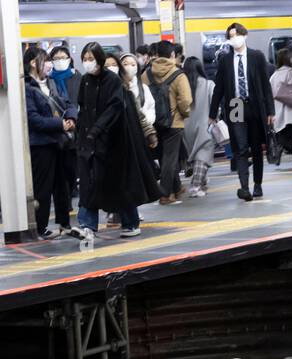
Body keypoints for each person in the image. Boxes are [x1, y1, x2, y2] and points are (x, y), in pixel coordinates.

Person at [74, 42, 159, 239]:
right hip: (90, 141)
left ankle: (131, 222)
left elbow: (114, 108)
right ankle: (87, 225)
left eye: (91, 59)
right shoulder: (85, 80)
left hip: (115, 142)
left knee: (120, 184)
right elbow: (82, 107)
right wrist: (82, 133)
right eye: (85, 60)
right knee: (89, 183)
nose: (88, 63)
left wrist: (97, 130)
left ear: (100, 59)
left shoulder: (112, 80)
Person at [210, 22, 274, 201]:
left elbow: (265, 85)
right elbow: (219, 88)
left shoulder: (257, 56)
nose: (234, 39)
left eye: (237, 34)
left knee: (255, 146)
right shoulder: (225, 60)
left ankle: (258, 184)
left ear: (245, 35)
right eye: (230, 36)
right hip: (235, 105)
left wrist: (270, 111)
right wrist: (212, 113)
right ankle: (244, 187)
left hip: (254, 105)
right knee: (239, 147)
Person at [22, 48, 75, 239]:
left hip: (59, 141)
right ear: (33, 63)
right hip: (41, 144)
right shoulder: (27, 88)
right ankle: (40, 226)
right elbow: (33, 119)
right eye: (45, 60)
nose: (49, 64)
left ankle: (64, 222)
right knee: (43, 187)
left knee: (62, 184)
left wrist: (71, 118)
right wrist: (59, 124)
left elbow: (67, 103)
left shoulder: (51, 82)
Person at [142, 40, 192, 205]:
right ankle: (164, 194)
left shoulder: (146, 75)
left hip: (154, 122)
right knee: (170, 159)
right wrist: (183, 114)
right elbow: (185, 100)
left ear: (156, 55)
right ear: (172, 55)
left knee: (164, 157)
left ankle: (176, 188)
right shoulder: (178, 74)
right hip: (173, 123)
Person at [181, 57, 214, 198]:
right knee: (203, 154)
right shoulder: (208, 84)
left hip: (184, 126)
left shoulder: (181, 84)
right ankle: (195, 186)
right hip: (204, 125)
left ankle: (202, 181)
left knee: (192, 155)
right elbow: (215, 104)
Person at [270, 45, 292, 156]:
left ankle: (282, 145)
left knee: (285, 135)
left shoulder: (274, 76)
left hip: (280, 114)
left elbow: (270, 94)